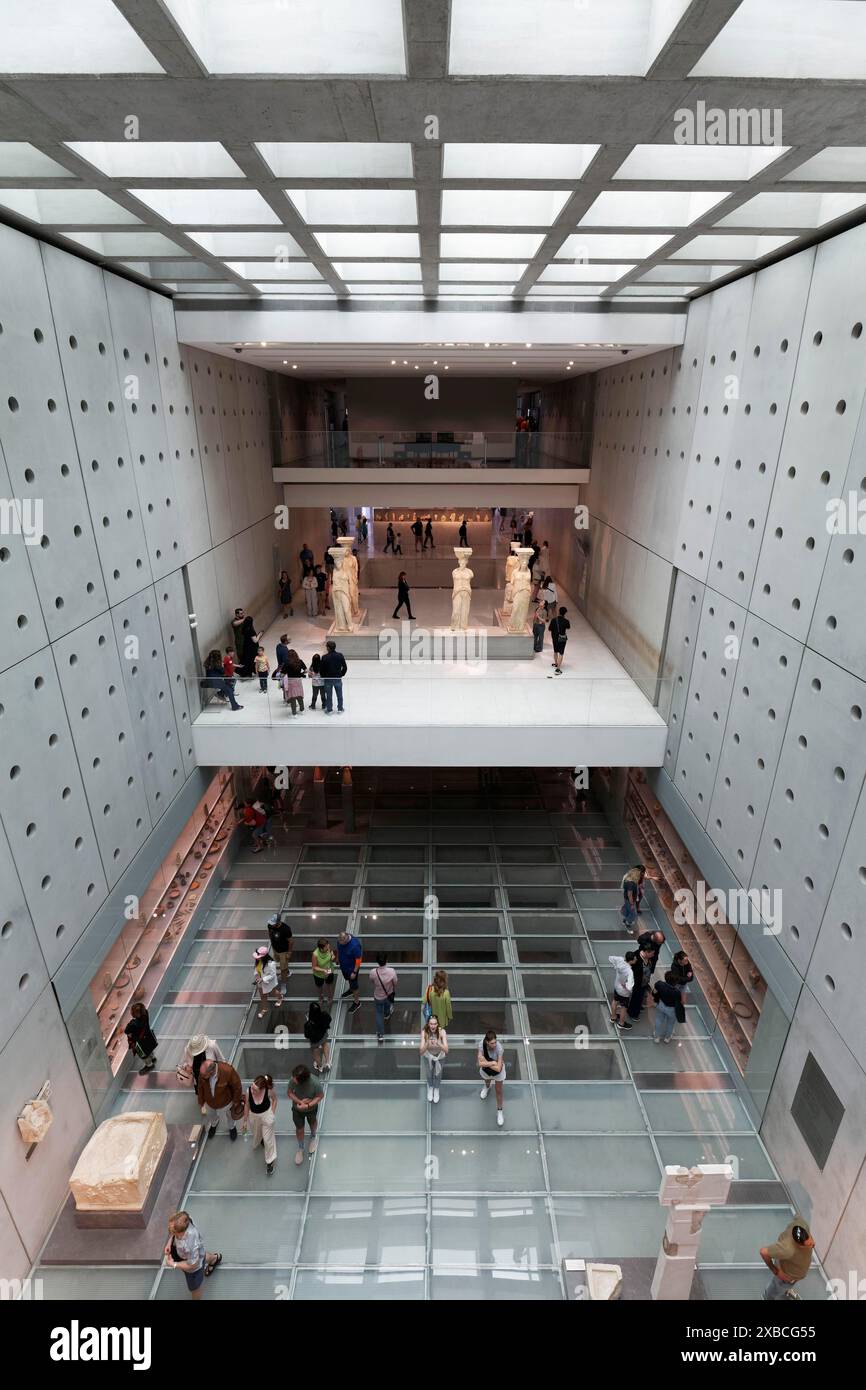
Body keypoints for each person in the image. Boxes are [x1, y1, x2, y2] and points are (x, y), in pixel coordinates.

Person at [165, 1212, 220, 1298]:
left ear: (182, 1232)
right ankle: (214, 1259)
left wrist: (173, 1264)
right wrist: (170, 1243)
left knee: (195, 1288)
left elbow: (193, 1265)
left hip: (194, 1269)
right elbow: (175, 1232)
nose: (171, 1233)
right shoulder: (185, 1219)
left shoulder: (190, 1245)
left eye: (174, 1232)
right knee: (202, 1256)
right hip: (194, 1254)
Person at [760, 1217, 815, 1300]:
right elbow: (763, 1252)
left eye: (811, 1241)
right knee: (777, 1287)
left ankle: (786, 1290)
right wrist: (775, 1271)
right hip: (786, 1274)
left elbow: (797, 1216)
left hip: (795, 1273)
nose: (813, 1243)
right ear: (798, 1244)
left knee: (786, 1286)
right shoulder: (788, 1249)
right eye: (809, 1244)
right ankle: (767, 1297)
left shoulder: (802, 1224)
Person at [197, 1057, 243, 1139]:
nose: (201, 1077)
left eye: (204, 1075)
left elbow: (237, 1087)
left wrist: (236, 1101)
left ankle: (232, 1127)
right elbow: (200, 1087)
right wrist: (201, 1101)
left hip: (226, 1101)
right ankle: (214, 1124)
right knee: (211, 1115)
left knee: (230, 1115)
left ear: (211, 1072)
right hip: (209, 1102)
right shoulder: (203, 1073)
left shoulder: (228, 1071)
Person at [287, 1063, 323, 1165]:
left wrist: (308, 1105)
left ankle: (313, 1137)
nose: (292, 1079)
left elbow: (320, 1096)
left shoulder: (315, 1083)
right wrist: (300, 1102)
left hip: (311, 1109)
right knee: (299, 1129)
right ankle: (301, 1148)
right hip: (297, 1110)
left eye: (295, 1078)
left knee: (312, 1123)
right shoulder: (292, 1080)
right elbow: (289, 1093)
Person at [243, 1073, 278, 1175]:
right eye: (252, 1086)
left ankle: (270, 1161)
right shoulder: (248, 1091)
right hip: (254, 1116)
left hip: (266, 1116)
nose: (252, 1090)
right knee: (256, 1133)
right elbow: (247, 1105)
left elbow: (275, 1100)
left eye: (255, 1089)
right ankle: (260, 1140)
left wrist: (272, 1113)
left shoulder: (268, 1090)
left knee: (268, 1140)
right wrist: (245, 1121)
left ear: (262, 1089)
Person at [477, 1029, 506, 1126]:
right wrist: (493, 1062)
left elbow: (498, 1069)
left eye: (495, 1042)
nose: (494, 1045)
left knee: (499, 1091)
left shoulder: (499, 1048)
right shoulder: (481, 1044)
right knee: (487, 1081)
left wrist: (486, 1062)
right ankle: (487, 1087)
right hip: (486, 1070)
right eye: (492, 1043)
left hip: (498, 1072)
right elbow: (479, 1063)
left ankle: (500, 1111)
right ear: (487, 1042)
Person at [371, 950, 398, 1042]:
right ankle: (387, 1015)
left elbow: (372, 981)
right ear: (386, 960)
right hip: (388, 994)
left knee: (379, 1013)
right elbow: (395, 983)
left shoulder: (373, 972)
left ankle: (380, 1034)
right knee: (387, 1005)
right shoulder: (392, 971)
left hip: (378, 996)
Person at [420, 1015, 448, 1103]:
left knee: (438, 1074)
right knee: (429, 1073)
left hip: (440, 1056)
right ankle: (431, 1087)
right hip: (428, 1056)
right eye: (431, 1024)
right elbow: (421, 1052)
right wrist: (427, 1043)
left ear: (437, 1024)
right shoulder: (424, 1032)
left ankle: (436, 1089)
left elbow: (446, 1050)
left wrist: (439, 1043)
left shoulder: (442, 1032)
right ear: (428, 1024)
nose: (433, 1026)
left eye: (435, 1024)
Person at [125, 1001, 157, 1075]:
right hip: (148, 1037)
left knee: (144, 1055)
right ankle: (153, 1058)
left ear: (136, 1014)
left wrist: (131, 1033)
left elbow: (126, 1031)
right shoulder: (146, 1014)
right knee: (149, 1050)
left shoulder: (134, 1024)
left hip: (141, 1043)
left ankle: (149, 1065)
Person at [608, 951, 637, 1030]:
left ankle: (613, 1017)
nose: (636, 959)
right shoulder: (629, 971)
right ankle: (621, 1023)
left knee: (615, 1001)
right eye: (634, 959)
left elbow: (610, 958)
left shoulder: (620, 960)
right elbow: (630, 987)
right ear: (631, 960)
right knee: (624, 1007)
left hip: (616, 986)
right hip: (624, 992)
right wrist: (626, 986)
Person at [652, 971, 682, 1044]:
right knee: (670, 1024)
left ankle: (656, 1037)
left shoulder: (660, 984)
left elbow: (654, 992)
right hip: (672, 1009)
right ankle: (667, 1038)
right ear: (676, 982)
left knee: (659, 1020)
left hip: (661, 1005)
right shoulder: (677, 992)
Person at [337, 929, 363, 1014]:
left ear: (346, 939)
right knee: (349, 980)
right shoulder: (340, 941)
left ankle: (357, 1002)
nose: (340, 944)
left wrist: (354, 972)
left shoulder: (355, 946)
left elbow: (358, 960)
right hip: (344, 967)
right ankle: (351, 990)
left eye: (342, 943)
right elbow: (339, 949)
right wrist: (338, 958)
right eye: (339, 942)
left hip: (352, 969)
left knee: (354, 985)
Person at [304, 999, 332, 1074]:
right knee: (324, 1044)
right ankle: (328, 1062)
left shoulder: (308, 1024)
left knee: (315, 1051)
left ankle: (320, 1066)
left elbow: (307, 1035)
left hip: (315, 1040)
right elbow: (329, 1019)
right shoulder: (324, 1015)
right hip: (323, 1035)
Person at [253, 945, 281, 1019]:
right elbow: (257, 970)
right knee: (263, 996)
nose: (257, 958)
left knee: (273, 992)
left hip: (268, 983)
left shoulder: (271, 964)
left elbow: (273, 974)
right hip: (260, 982)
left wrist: (263, 979)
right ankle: (264, 1009)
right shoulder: (258, 961)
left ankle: (280, 998)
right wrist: (258, 978)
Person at [267, 912, 293, 990]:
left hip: (283, 952)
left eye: (274, 923)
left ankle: (283, 984)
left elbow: (291, 941)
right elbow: (270, 934)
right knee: (278, 963)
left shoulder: (286, 929)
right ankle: (288, 972)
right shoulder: (270, 925)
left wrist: (289, 952)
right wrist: (272, 944)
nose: (272, 925)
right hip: (275, 949)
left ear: (278, 922)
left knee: (282, 969)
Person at [320, 639, 347, 714]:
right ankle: (340, 709)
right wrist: (341, 674)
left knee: (329, 695)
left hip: (328, 679)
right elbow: (345, 667)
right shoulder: (340, 655)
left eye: (326, 647)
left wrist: (324, 676)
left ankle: (329, 710)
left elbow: (321, 669)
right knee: (339, 695)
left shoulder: (324, 657)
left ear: (328, 648)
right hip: (337, 678)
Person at [311, 937, 338, 1008]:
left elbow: (332, 954)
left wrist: (332, 956)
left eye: (328, 945)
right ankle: (320, 997)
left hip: (329, 970)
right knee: (319, 986)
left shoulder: (328, 948)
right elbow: (314, 967)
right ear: (321, 948)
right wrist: (323, 970)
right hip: (319, 974)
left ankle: (330, 997)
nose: (328, 947)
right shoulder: (315, 954)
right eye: (326, 946)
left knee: (329, 984)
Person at [281, 648, 306, 716]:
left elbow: (282, 674)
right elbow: (306, 670)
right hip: (298, 681)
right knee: (299, 695)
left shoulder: (287, 663)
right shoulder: (300, 661)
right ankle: (302, 710)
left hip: (290, 681)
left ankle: (294, 714)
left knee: (292, 697)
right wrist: (301, 674)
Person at [236, 614, 261, 678]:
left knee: (246, 659)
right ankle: (251, 672)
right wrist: (260, 634)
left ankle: (244, 672)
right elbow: (255, 640)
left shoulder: (244, 629)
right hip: (252, 647)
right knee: (252, 660)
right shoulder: (251, 630)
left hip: (246, 645)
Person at [548, 605, 570, 674]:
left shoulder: (554, 620)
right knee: (561, 653)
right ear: (565, 613)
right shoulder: (566, 621)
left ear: (559, 612)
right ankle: (558, 669)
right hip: (562, 639)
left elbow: (549, 629)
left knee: (555, 651)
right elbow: (568, 627)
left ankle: (556, 663)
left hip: (554, 638)